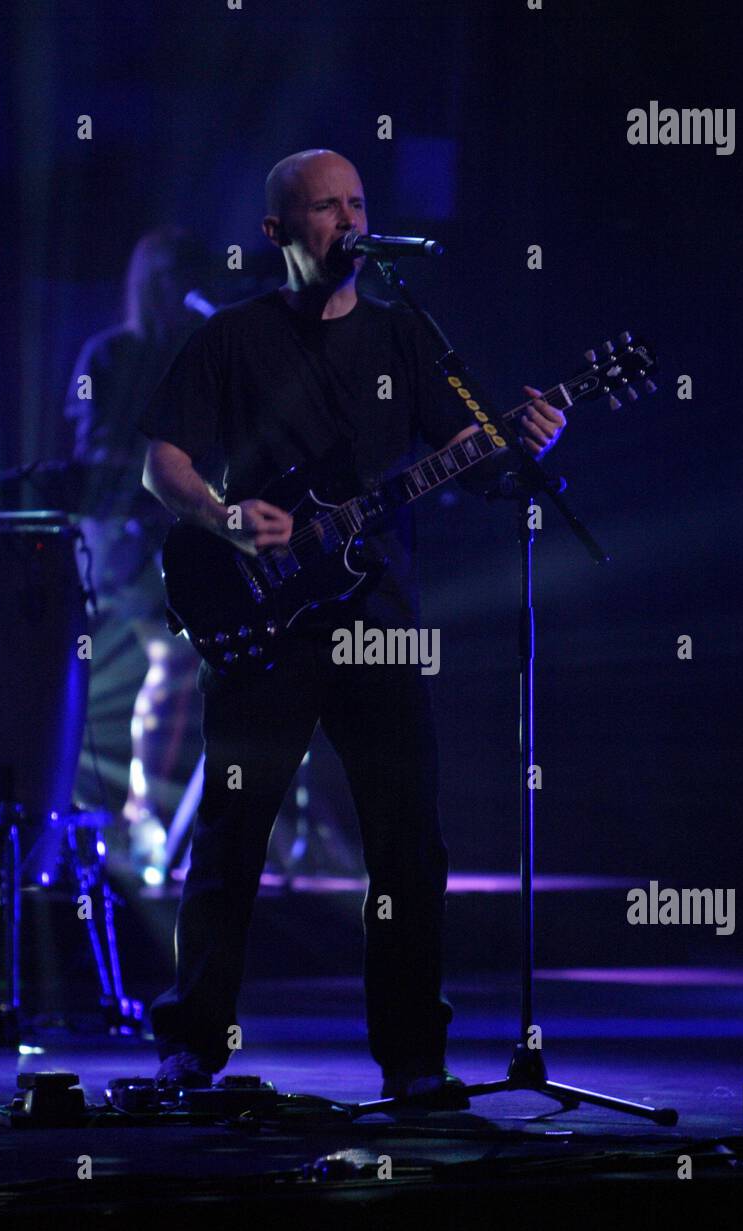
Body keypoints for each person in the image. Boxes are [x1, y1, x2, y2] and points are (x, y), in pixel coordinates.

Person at [139, 149, 566, 1105]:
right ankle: (193, 1045)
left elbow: (469, 460)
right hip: (265, 622)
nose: (347, 220)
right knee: (231, 832)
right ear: (277, 232)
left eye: (358, 203)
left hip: (378, 622)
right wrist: (223, 516)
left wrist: (518, 443)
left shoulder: (405, 337)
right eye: (325, 208)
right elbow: (159, 461)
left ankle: (414, 1059)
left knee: (407, 842)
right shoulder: (230, 342)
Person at [65, 227, 210, 877]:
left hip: (182, 535)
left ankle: (148, 811)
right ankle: (132, 812)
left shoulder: (201, 350)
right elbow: (87, 454)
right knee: (163, 656)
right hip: (117, 537)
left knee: (182, 662)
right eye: (171, 275)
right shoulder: (109, 354)